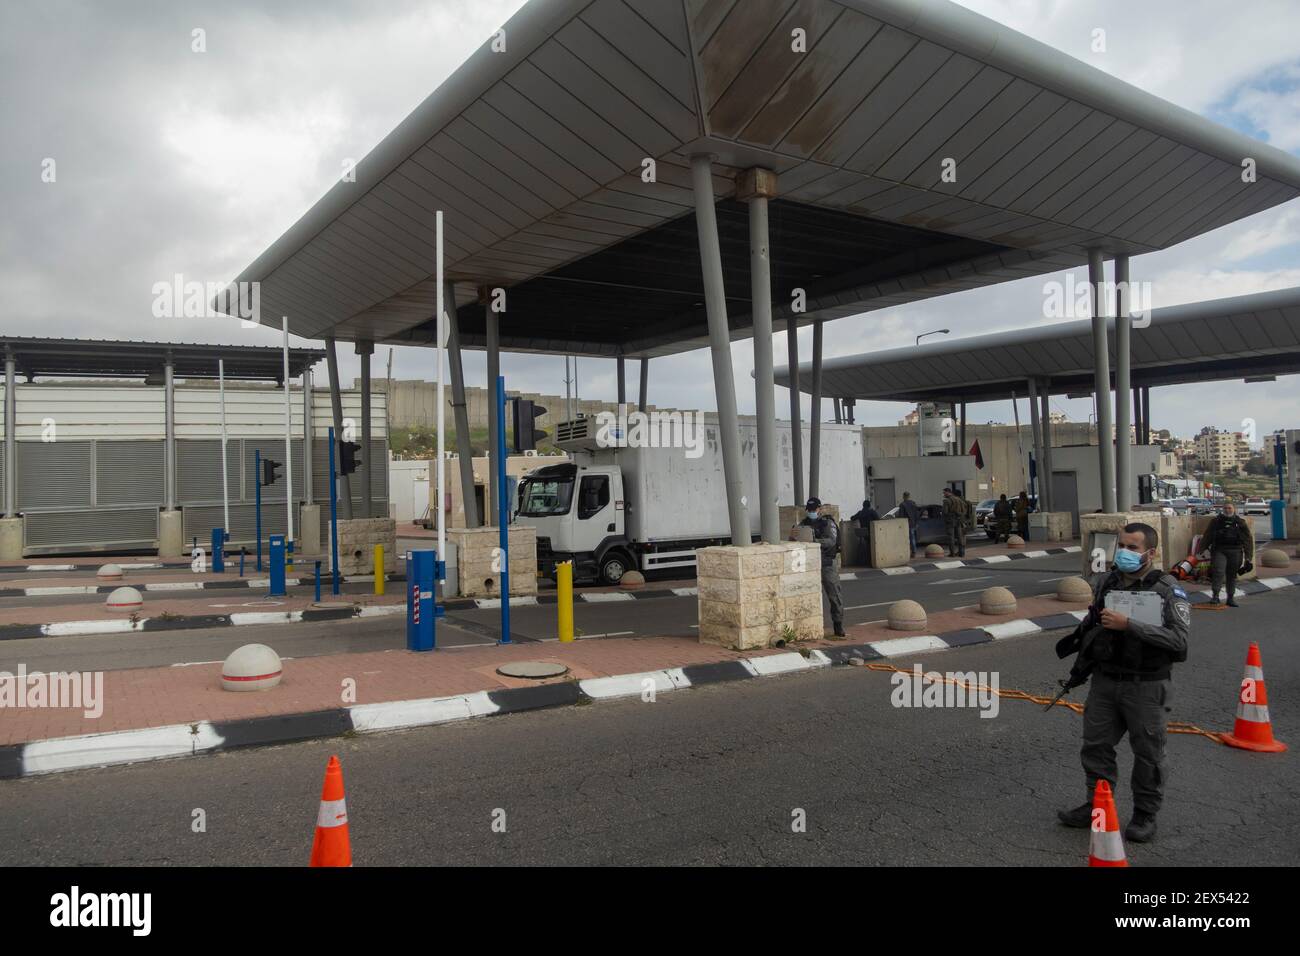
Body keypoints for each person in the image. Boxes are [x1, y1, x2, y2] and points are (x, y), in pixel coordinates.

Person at [1055, 522, 1190, 844]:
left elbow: (1179, 641)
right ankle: (1097, 805)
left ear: (1150, 552)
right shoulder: (1107, 582)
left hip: (1146, 684)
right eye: (1123, 546)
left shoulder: (1167, 588)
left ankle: (1145, 814)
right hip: (1105, 681)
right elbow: (1093, 626)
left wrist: (1130, 625)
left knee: (1148, 754)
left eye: (1133, 547)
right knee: (1096, 746)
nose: (1125, 552)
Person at [800, 497, 844, 637]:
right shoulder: (803, 523)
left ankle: (838, 626)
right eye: (809, 510)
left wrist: (813, 541)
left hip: (826, 564)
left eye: (814, 509)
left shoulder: (827, 523)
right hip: (809, 564)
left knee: (834, 596)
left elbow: (831, 541)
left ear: (819, 509)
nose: (811, 512)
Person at [1202, 501, 1254, 607]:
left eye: (1230, 508)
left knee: (1232, 575)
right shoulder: (1216, 521)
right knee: (1218, 572)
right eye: (1225, 508)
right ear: (1222, 509)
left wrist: (1248, 558)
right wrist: (1201, 549)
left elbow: (1248, 540)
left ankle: (1230, 598)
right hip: (1219, 551)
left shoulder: (1240, 522)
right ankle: (1215, 596)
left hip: (1235, 551)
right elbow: (1207, 536)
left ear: (1234, 509)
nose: (1227, 510)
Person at [941, 488, 967, 557]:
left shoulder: (946, 501)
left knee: (951, 538)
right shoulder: (959, 500)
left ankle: (952, 553)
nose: (943, 494)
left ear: (948, 492)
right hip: (959, 521)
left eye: (944, 493)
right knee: (960, 537)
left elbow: (945, 512)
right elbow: (964, 510)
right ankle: (961, 553)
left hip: (950, 521)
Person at [899, 492, 920, 558]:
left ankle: (907, 552)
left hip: (906, 524)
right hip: (913, 524)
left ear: (903, 496)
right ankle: (914, 552)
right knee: (913, 538)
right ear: (909, 496)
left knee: (906, 539)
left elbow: (901, 516)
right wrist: (917, 523)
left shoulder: (902, 504)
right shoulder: (913, 503)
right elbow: (917, 514)